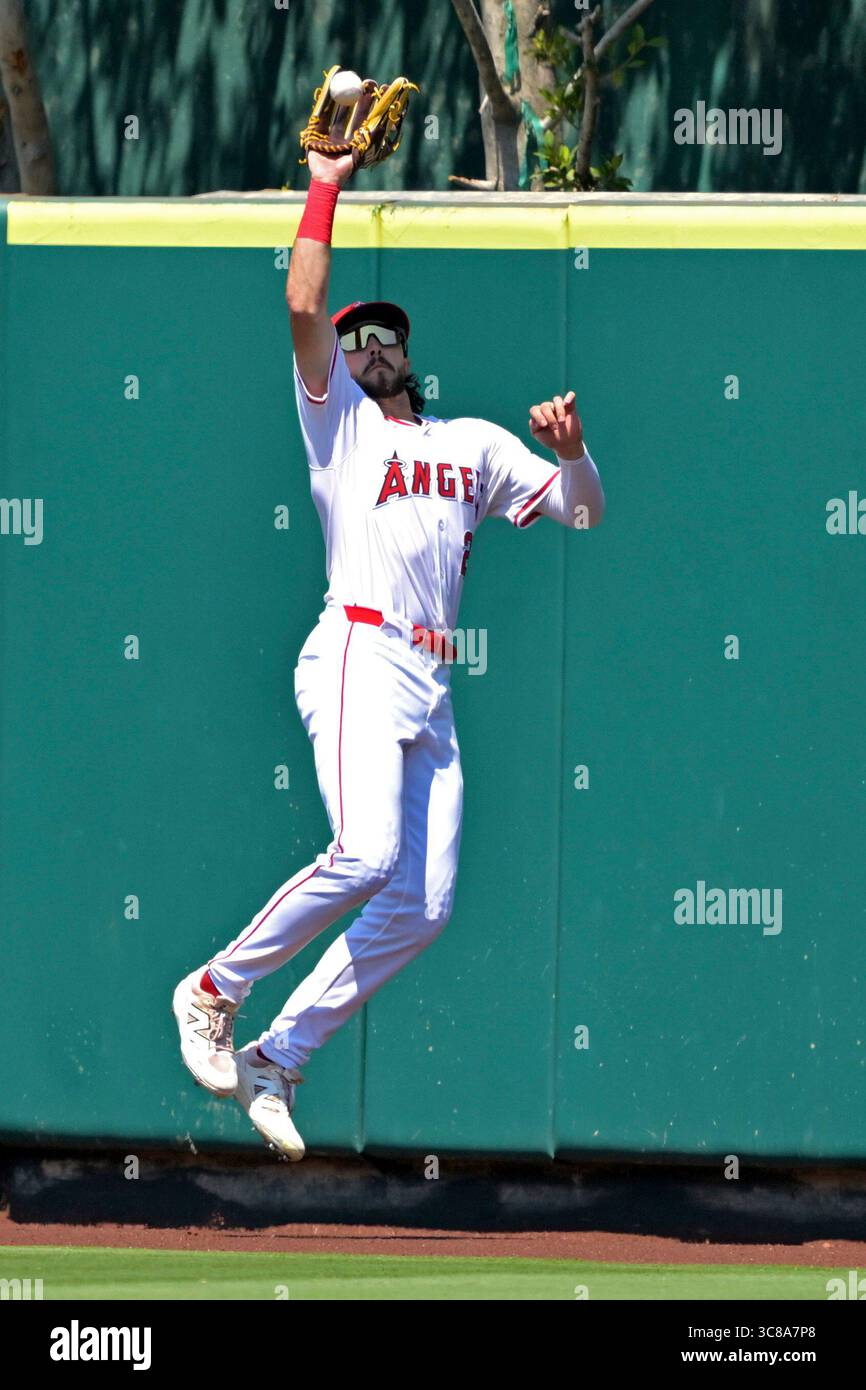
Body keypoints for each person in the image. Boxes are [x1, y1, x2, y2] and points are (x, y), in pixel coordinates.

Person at [172, 148, 605, 1161]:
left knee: (422, 903)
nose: (364, 345)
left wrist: (576, 450)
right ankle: (212, 990)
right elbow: (299, 303)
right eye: (351, 337)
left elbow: (581, 515)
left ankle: (278, 1055)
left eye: (382, 336)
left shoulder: (473, 444)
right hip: (357, 646)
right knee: (366, 854)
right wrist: (324, 179)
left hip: (428, 679)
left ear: (406, 352)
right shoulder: (341, 429)